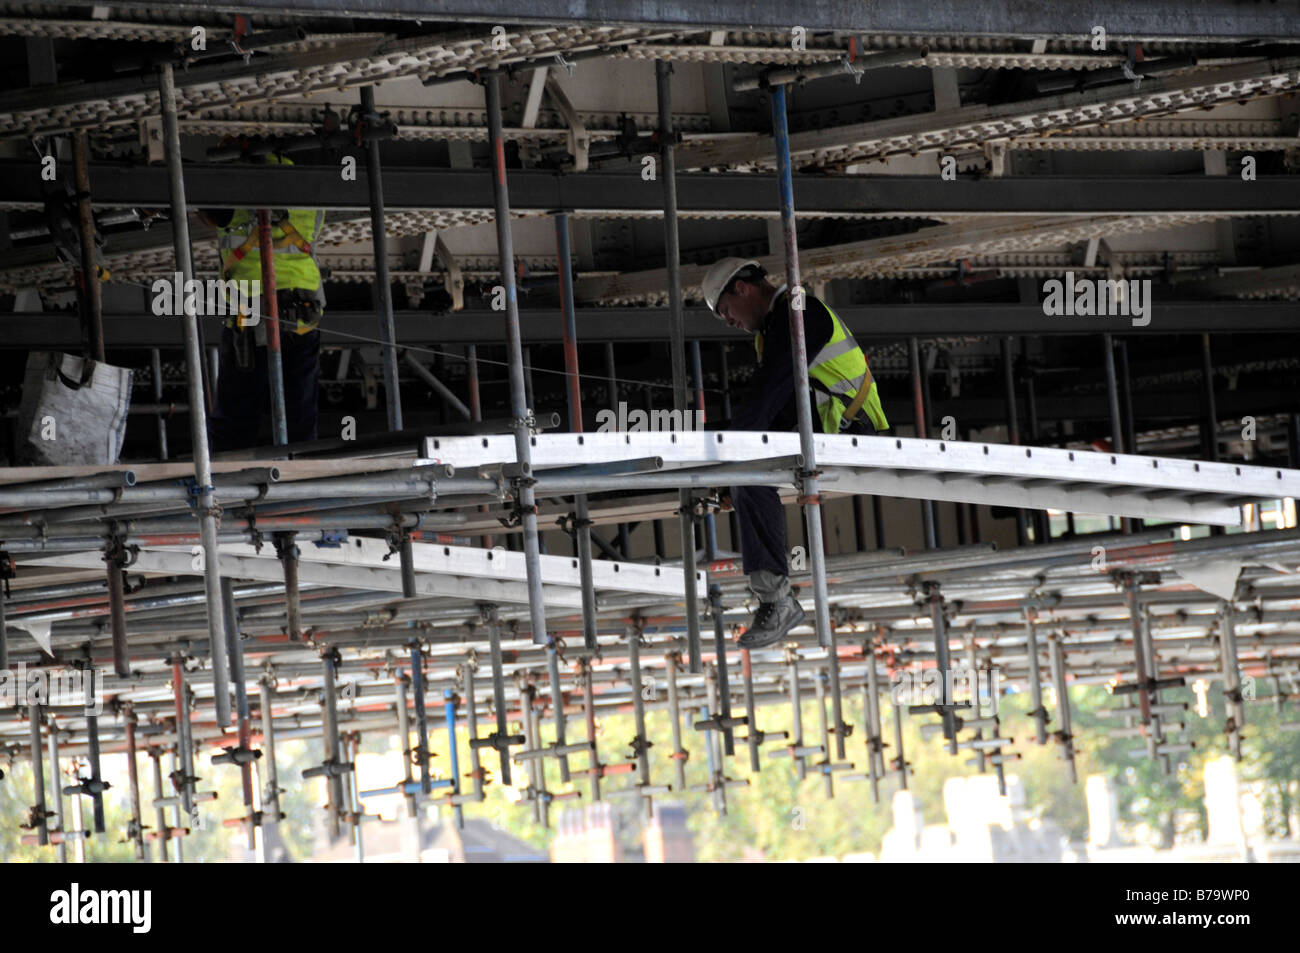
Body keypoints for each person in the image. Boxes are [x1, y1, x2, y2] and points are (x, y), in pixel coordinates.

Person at [702, 257, 889, 648]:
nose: (729, 322)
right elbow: (777, 404)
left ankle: (775, 598)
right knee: (742, 465)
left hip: (847, 425)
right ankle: (774, 597)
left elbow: (771, 392)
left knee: (745, 467)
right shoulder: (772, 328)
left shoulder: (800, 311)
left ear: (742, 288)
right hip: (823, 424)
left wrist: (732, 456)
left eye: (725, 312)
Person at [200, 152, 326, 451]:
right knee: (300, 417)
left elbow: (204, 209)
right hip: (302, 317)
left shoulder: (234, 190)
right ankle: (302, 481)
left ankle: (227, 485)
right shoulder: (309, 193)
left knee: (235, 421)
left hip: (250, 316)